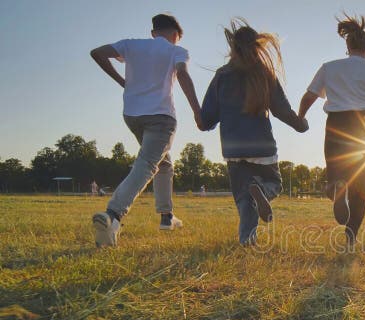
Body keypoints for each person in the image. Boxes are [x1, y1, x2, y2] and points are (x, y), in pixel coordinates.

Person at [90, 14, 202, 247]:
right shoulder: (177, 51)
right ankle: (113, 215)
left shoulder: (131, 45)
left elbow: (97, 53)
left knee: (163, 162)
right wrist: (197, 111)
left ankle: (166, 216)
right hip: (160, 117)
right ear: (175, 35)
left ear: (153, 33)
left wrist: (122, 81)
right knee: (147, 164)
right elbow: (182, 74)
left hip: (132, 115)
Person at [199, 20, 308, 246]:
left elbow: (207, 118)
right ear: (258, 47)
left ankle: (247, 239)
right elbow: (282, 110)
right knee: (274, 184)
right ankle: (261, 194)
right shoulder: (265, 73)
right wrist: (300, 124)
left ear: (233, 48)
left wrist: (202, 121)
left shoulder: (222, 75)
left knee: (243, 197)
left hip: (232, 147)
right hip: (261, 146)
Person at [298, 14, 365, 248]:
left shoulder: (329, 67)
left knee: (336, 171)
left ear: (347, 46)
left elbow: (309, 96)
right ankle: (350, 239)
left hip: (336, 124)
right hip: (364, 127)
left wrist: (300, 118)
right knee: (361, 188)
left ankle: (337, 187)